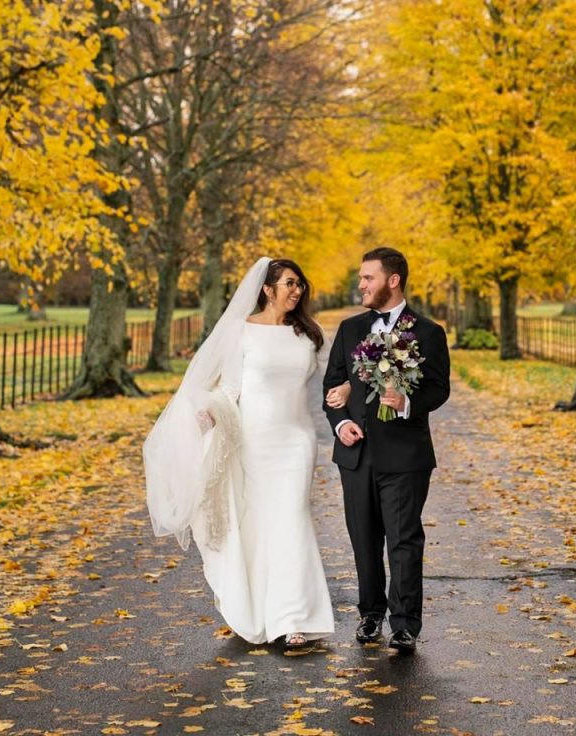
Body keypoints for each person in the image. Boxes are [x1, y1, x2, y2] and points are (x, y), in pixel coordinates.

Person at [144, 257, 349, 649]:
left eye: (299, 284)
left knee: (292, 517)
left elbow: (333, 380)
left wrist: (347, 392)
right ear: (267, 290)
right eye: (289, 283)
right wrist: (207, 416)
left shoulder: (309, 333)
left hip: (297, 441)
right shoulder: (241, 333)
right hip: (253, 441)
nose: (297, 290)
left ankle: (294, 618)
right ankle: (257, 610)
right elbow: (228, 390)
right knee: (257, 524)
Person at [322, 247, 450, 653]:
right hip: (356, 456)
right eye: (360, 278)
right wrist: (341, 424)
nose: (360, 285)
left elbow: (438, 388)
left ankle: (406, 623)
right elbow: (332, 389)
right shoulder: (348, 329)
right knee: (363, 539)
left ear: (392, 280)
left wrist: (408, 403)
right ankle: (370, 614)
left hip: (405, 455)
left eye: (367, 278)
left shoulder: (428, 332)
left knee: (403, 539)